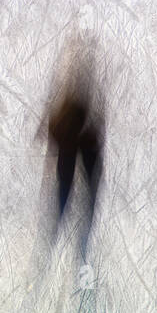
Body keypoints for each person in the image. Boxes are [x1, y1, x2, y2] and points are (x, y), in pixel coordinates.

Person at [39, 42, 105, 262]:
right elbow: (55, 126)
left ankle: (71, 229)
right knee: (66, 190)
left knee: (70, 190)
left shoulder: (74, 111)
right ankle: (64, 227)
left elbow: (55, 127)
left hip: (81, 147)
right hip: (76, 147)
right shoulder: (69, 111)